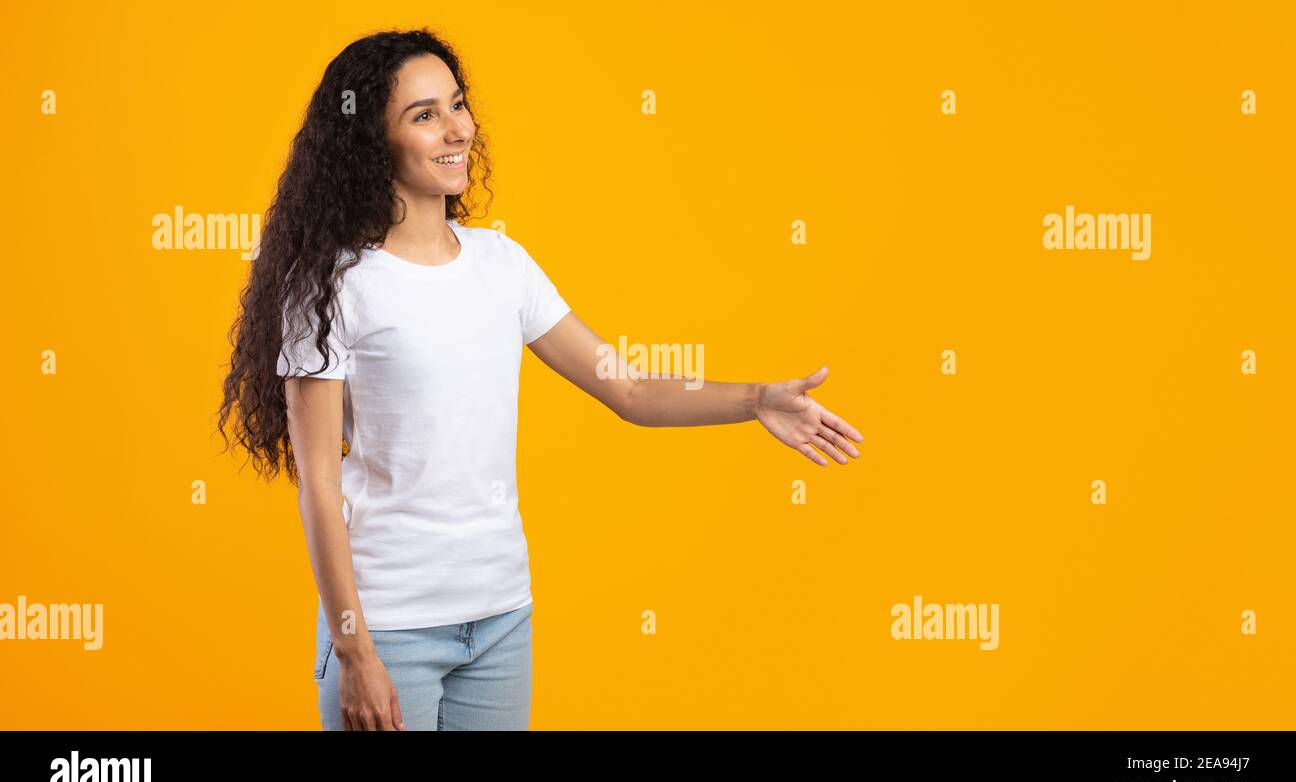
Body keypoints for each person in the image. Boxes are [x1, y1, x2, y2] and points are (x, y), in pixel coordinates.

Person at [216, 28, 863, 731]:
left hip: (499, 620)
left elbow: (631, 388)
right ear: (373, 141)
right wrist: (354, 649)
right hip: (387, 625)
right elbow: (318, 480)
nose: (456, 128)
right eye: (423, 115)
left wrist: (758, 398)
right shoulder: (334, 284)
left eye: (457, 105)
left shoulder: (502, 264)